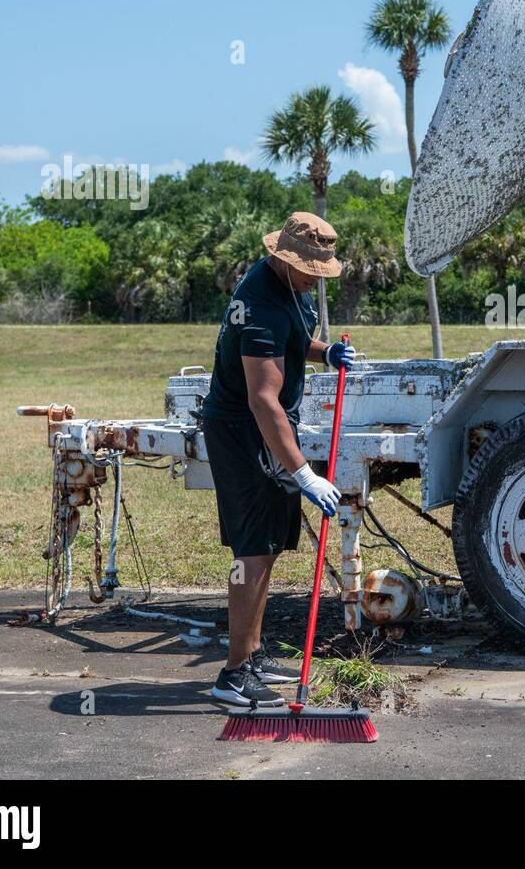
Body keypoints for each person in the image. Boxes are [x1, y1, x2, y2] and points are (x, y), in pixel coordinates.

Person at [201, 212, 356, 707]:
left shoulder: (284, 285)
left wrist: (324, 353)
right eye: (311, 269)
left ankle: (253, 651)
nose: (316, 278)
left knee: (266, 545)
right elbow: (263, 399)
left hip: (264, 429)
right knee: (251, 549)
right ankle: (232, 674)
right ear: (286, 260)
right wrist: (304, 473)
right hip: (245, 431)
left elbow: (291, 343)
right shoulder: (263, 301)